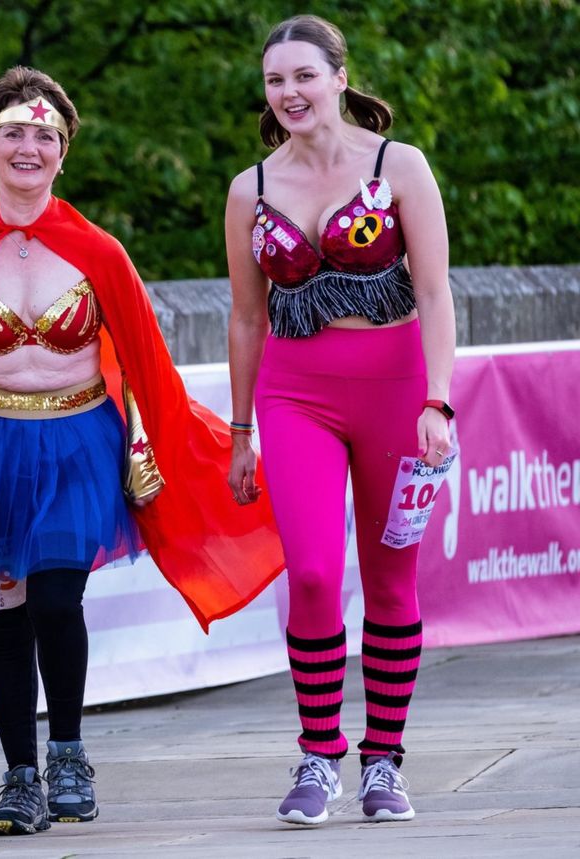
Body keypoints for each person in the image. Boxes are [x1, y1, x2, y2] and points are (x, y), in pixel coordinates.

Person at [0, 66, 284, 837]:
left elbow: (142, 362)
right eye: (14, 134)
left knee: (57, 598)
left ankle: (68, 753)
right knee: (3, 616)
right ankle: (19, 777)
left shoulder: (98, 252)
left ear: (64, 155)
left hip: (76, 442)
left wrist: (164, 445)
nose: (30, 147)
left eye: (45, 136)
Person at [225, 15, 455, 826]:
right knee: (315, 572)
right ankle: (318, 754)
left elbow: (433, 291)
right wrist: (242, 429)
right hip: (295, 394)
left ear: (337, 77)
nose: (289, 93)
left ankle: (383, 761)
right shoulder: (250, 187)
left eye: (302, 76)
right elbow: (246, 319)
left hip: (396, 391)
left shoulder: (401, 166)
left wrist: (439, 399)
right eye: (274, 81)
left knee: (390, 574)